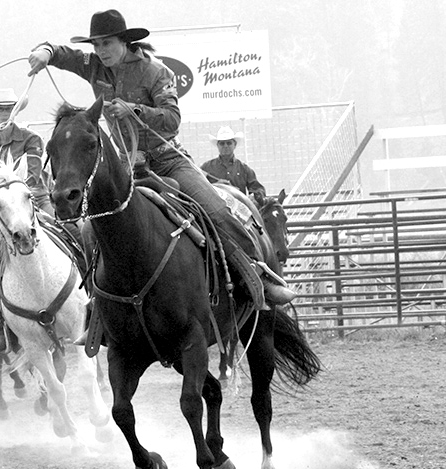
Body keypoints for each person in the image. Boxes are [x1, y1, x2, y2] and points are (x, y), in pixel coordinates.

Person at [27, 9, 295, 311]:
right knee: (92, 227)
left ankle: (257, 275)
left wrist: (134, 110)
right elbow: (65, 55)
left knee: (215, 209)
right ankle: (100, 306)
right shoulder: (94, 66)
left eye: (107, 43)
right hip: (127, 167)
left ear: (125, 42)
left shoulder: (156, 72)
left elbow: (172, 119)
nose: (101, 51)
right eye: (97, 45)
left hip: (168, 160)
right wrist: (45, 52)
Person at [0, 87, 55, 353]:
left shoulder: (31, 138)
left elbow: (32, 177)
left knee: (73, 235)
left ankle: (89, 307)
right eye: (0, 108)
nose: (4, 112)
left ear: (16, 110)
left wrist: (15, 197)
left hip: (34, 201)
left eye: (9, 108)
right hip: (1, 211)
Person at [200, 126, 267, 206]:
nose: (225, 146)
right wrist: (216, 186)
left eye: (229, 143)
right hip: (214, 210)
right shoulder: (206, 168)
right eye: (222, 143)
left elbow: (258, 188)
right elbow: (198, 187)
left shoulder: (244, 169)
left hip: (240, 211)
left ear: (235, 145)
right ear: (218, 145)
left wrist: (254, 196)